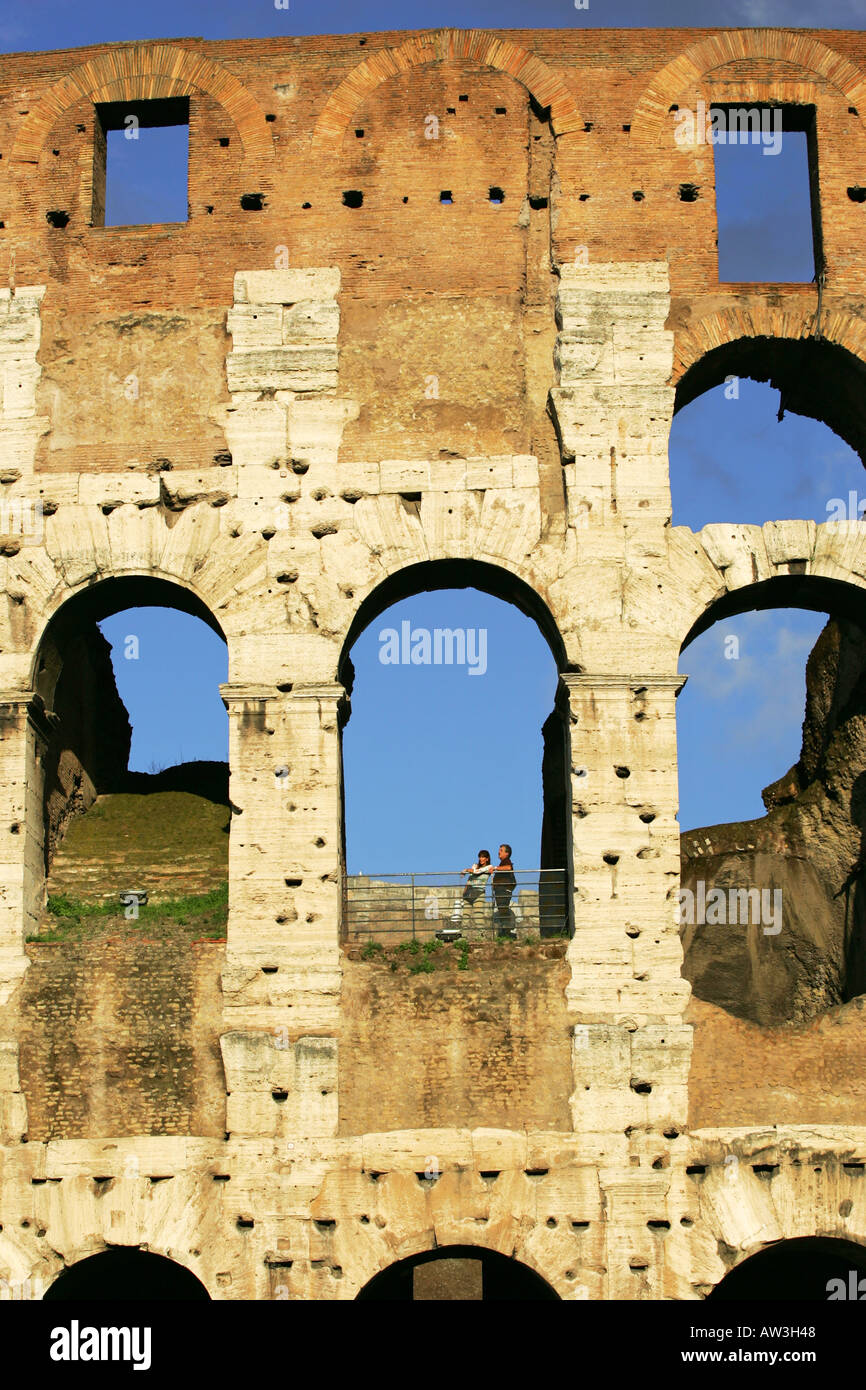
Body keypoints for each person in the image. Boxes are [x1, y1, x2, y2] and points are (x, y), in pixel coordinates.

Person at [491, 844, 516, 924]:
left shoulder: (506, 860)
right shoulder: (503, 862)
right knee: (502, 908)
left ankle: (506, 927)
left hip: (503, 889)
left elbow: (508, 868)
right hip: (501, 889)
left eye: (501, 850)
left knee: (503, 908)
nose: (499, 852)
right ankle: (505, 926)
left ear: (507, 853)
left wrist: (495, 868)